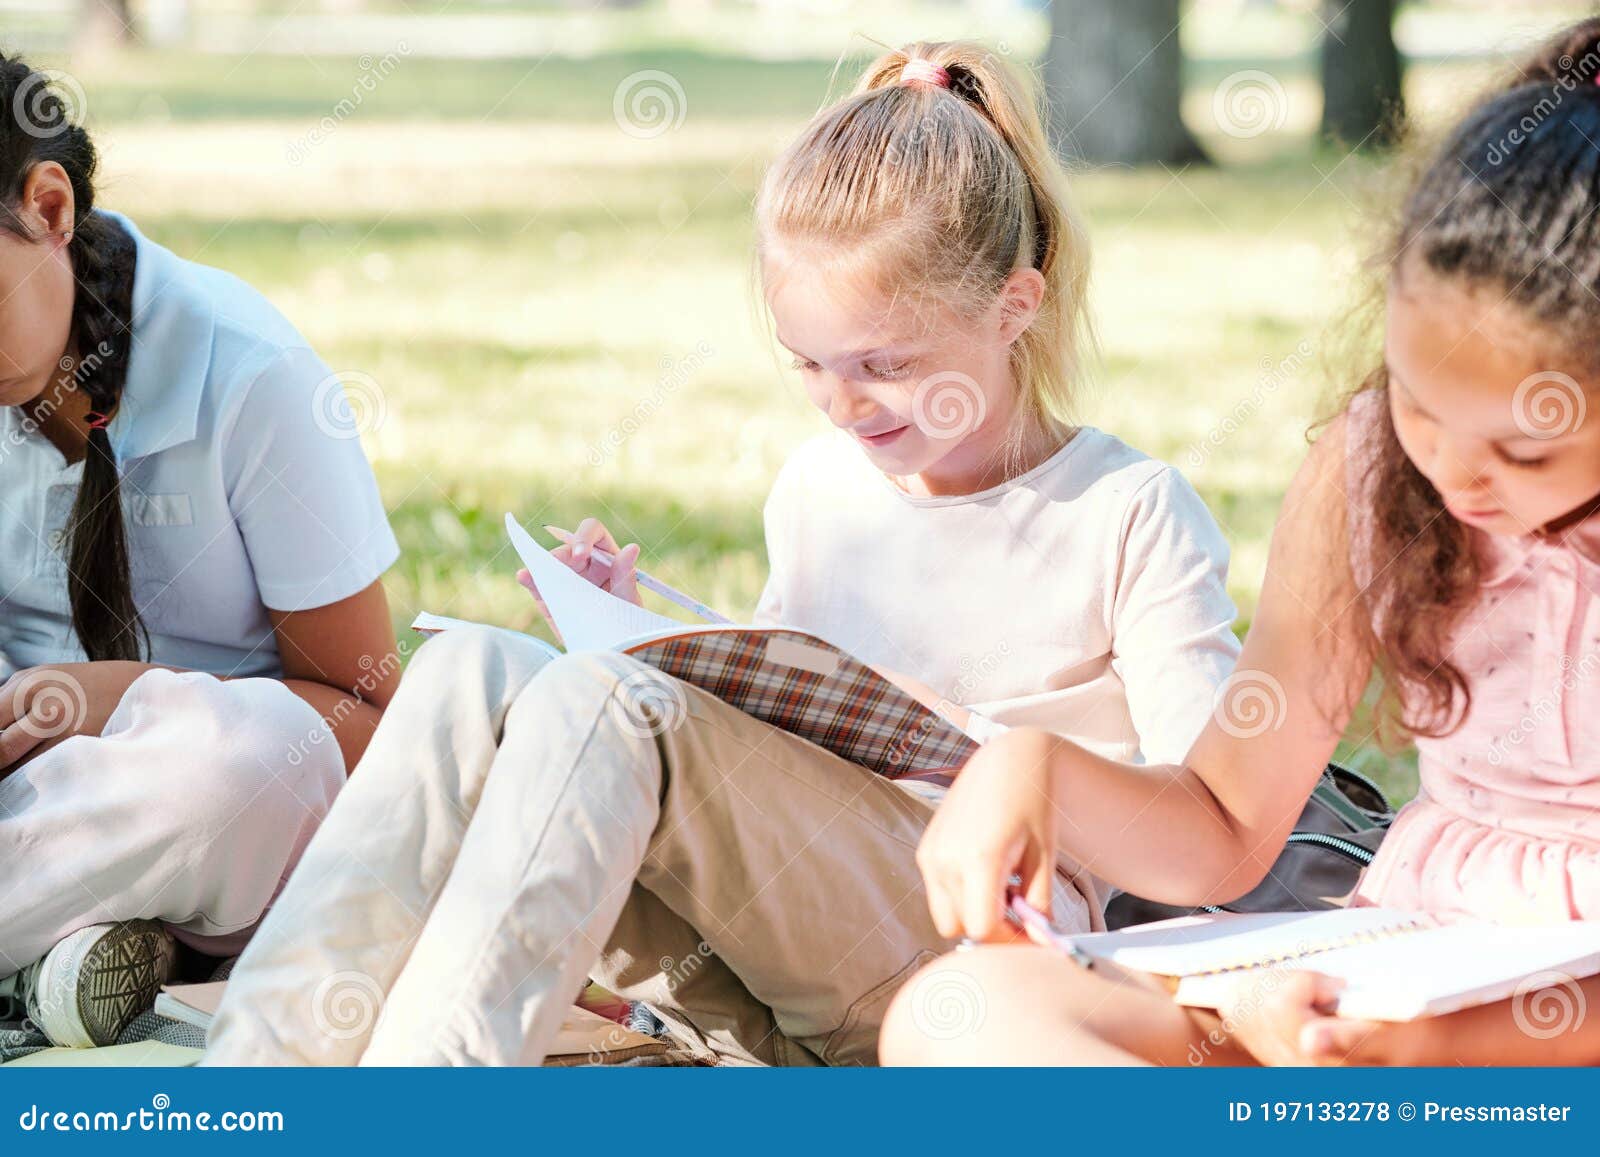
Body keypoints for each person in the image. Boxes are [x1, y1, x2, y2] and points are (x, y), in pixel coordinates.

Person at [207, 40, 1237, 1067]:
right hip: (775, 976)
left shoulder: (1125, 510)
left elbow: (1217, 841)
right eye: (809, 365)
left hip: (976, 970)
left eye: (884, 364)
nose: (843, 404)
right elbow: (780, 746)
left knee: (605, 708)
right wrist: (645, 633)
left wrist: (1000, 750)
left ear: (1015, 304)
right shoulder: (819, 490)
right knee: (474, 672)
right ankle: (259, 1070)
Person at [883, 20, 1600, 1067]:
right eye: (1418, 404)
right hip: (1399, 963)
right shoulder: (1372, 472)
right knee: (965, 1011)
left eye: (1521, 448)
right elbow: (1224, 824)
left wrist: (1443, 1046)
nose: (1451, 473)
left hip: (1539, 1033)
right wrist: (1027, 765)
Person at [0, 52, 401, 1049]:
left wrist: (125, 692)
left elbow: (365, 720)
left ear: (48, 208)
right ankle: (80, 955)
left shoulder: (251, 373)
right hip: (37, 801)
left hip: (204, 803)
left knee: (249, 761)